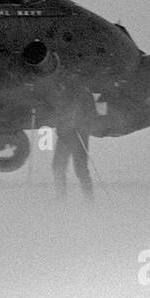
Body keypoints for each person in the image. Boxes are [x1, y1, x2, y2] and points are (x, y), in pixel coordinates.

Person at [52, 71, 96, 202]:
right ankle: (62, 197)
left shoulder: (83, 95)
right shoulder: (66, 94)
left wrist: (80, 126)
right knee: (59, 167)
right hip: (66, 135)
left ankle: (88, 199)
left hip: (77, 135)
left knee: (79, 169)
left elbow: (90, 115)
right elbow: (60, 113)